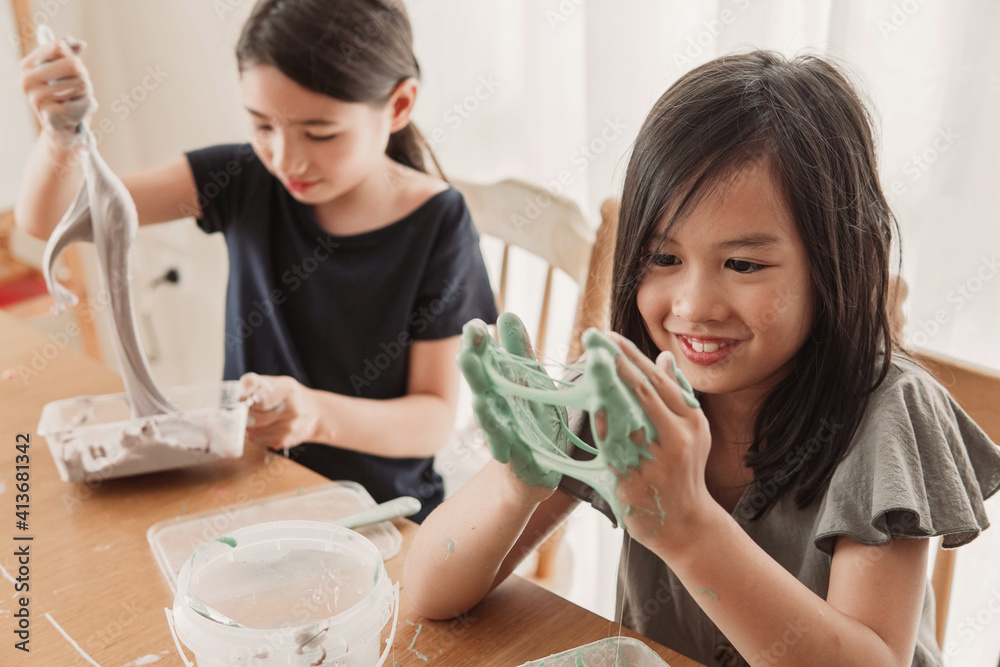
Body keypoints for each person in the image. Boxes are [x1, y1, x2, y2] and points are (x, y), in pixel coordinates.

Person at [403, 51, 1000, 665]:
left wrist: (686, 525)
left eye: (743, 265)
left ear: (835, 265)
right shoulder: (626, 390)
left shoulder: (889, 416)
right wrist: (514, 483)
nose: (693, 306)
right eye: (663, 258)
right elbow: (427, 593)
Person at [16, 0, 497, 522]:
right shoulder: (241, 179)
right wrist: (61, 137)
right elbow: (53, 220)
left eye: (320, 133)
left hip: (382, 513)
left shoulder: (438, 223)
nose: (286, 159)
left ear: (399, 105)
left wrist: (316, 415)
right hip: (252, 499)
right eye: (262, 125)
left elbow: (431, 419)